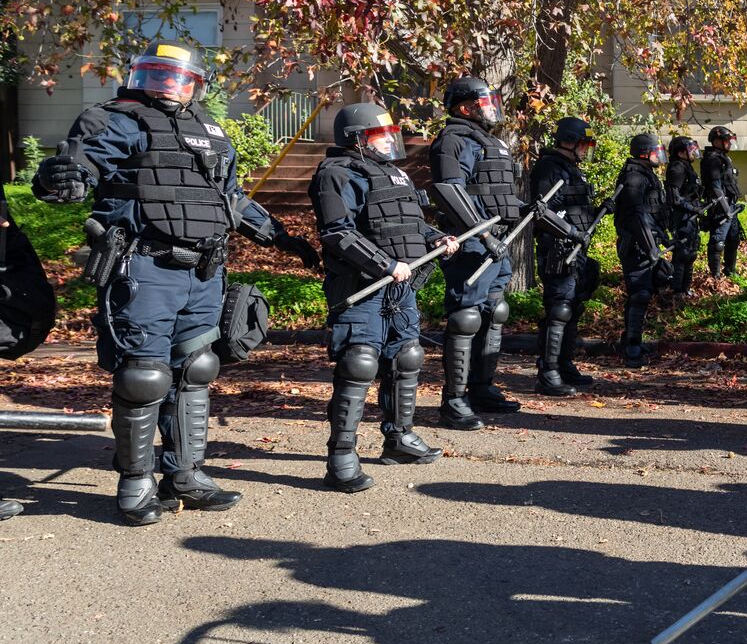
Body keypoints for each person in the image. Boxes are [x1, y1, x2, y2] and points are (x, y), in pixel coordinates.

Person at [31, 40, 319, 525]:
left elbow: (231, 199)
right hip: (144, 267)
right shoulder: (113, 119)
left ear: (194, 84)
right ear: (137, 75)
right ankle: (135, 482)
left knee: (197, 368)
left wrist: (286, 240)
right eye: (156, 73)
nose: (167, 84)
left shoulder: (208, 129)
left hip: (204, 271)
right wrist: (63, 180)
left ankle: (184, 473)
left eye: (177, 77)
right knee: (144, 376)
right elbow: (79, 166)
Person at [311, 103, 456, 492]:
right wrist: (385, 264)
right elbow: (337, 232)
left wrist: (436, 239)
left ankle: (400, 439)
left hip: (399, 286)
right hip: (361, 285)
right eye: (378, 134)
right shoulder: (335, 173)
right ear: (355, 138)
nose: (388, 141)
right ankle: (341, 456)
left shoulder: (394, 173)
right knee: (359, 363)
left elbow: (410, 223)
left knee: (406, 356)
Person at [428, 77, 522, 430]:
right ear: (465, 107)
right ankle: (453, 400)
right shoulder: (452, 140)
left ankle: (482, 388)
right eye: (484, 102)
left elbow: (493, 192)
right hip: (472, 242)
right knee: (465, 318)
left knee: (495, 311)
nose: (491, 107)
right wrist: (481, 235)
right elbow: (449, 191)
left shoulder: (491, 141)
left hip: (498, 239)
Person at [530, 117, 602, 396]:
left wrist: (596, 211)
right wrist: (572, 232)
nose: (586, 150)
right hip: (558, 249)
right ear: (569, 142)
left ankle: (564, 363)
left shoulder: (571, 169)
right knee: (559, 309)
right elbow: (543, 210)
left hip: (576, 247)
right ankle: (547, 373)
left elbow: (573, 208)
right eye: (584, 144)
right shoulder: (549, 167)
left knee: (573, 306)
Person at [616, 133, 670, 366]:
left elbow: (653, 214)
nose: (659, 156)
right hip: (637, 246)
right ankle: (632, 347)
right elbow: (637, 217)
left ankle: (631, 338)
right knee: (640, 293)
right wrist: (650, 248)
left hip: (647, 243)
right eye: (655, 151)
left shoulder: (646, 175)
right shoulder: (635, 178)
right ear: (643, 153)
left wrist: (663, 240)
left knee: (647, 290)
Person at [664, 136, 705, 298]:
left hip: (690, 217)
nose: (694, 152)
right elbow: (674, 198)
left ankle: (685, 288)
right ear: (681, 152)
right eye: (690, 149)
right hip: (681, 218)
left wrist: (698, 206)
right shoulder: (677, 169)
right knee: (682, 254)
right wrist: (692, 208)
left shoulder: (686, 166)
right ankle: (676, 290)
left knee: (691, 253)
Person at [701, 125, 742, 282]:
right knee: (718, 242)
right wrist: (725, 209)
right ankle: (715, 276)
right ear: (717, 141)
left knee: (734, 238)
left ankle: (730, 270)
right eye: (727, 140)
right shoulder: (712, 159)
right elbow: (715, 187)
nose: (729, 144)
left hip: (730, 206)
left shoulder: (724, 157)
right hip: (720, 207)